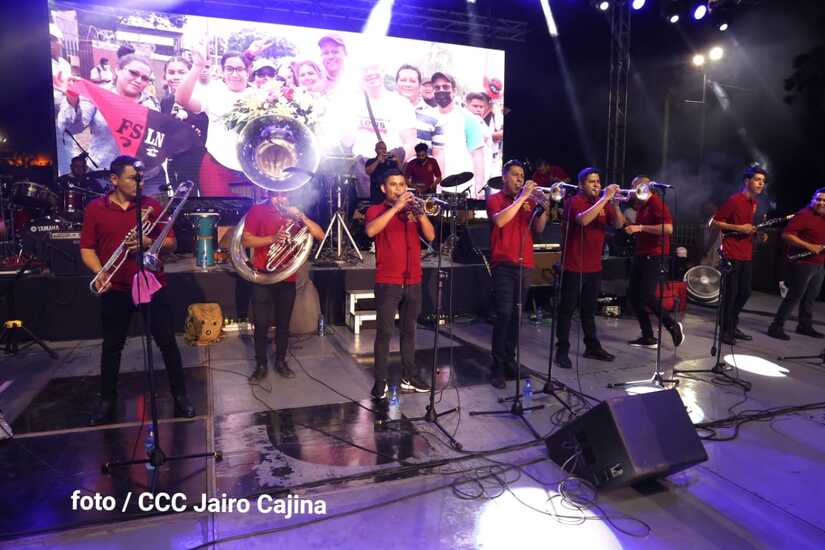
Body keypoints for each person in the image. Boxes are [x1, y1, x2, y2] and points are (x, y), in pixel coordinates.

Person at [80, 155, 195, 425]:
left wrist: (148, 241)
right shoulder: (96, 209)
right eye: (133, 178)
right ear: (114, 179)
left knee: (167, 343)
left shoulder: (152, 206)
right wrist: (101, 273)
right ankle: (106, 400)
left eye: (141, 178)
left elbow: (171, 243)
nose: (139, 183)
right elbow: (86, 248)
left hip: (150, 285)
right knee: (112, 347)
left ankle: (180, 396)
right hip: (116, 288)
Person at [365, 169, 435, 399]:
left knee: (409, 331)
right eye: (393, 184)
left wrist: (421, 213)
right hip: (388, 281)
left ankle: (409, 375)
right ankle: (380, 380)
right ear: (384, 188)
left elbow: (431, 236)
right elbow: (370, 230)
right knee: (384, 333)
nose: (399, 189)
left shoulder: (412, 212)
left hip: (413, 279)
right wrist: (395, 209)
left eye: (402, 184)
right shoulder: (375, 210)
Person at [243, 193, 325, 380]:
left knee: (283, 323)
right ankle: (261, 364)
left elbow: (320, 235)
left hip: (287, 276)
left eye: (284, 194)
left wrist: (301, 217)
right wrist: (273, 238)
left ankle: (281, 361)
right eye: (277, 195)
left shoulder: (294, 214)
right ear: (269, 194)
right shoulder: (258, 210)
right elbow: (247, 240)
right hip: (262, 276)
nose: (281, 198)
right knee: (261, 324)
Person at [60, 54, 166, 194]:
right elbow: (74, 127)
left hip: (147, 177)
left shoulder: (151, 103)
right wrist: (72, 100)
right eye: (133, 73)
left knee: (150, 216)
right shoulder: (97, 95)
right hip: (105, 176)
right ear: (117, 69)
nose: (139, 80)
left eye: (145, 78)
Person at [486, 160, 549, 388]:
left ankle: (510, 361)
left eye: (522, 176)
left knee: (516, 315)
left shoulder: (528, 202)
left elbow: (539, 228)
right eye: (515, 175)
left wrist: (544, 205)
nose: (520, 179)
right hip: (503, 264)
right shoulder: (494, 199)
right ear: (504, 177)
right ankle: (497, 366)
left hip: (525, 264)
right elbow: (501, 221)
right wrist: (524, 197)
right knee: (503, 314)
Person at [555, 167, 624, 369]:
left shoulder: (602, 203)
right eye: (592, 182)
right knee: (567, 310)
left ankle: (592, 347)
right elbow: (584, 220)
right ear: (581, 185)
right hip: (573, 265)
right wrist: (604, 199)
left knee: (588, 309)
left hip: (594, 266)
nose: (597, 185)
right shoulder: (573, 202)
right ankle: (562, 350)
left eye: (598, 182)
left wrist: (616, 205)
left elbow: (619, 225)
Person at [176, 50, 251, 196]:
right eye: (229, 69)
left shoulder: (260, 96)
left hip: (249, 171)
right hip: (215, 167)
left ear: (248, 71)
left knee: (249, 216)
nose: (235, 74)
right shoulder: (213, 93)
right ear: (222, 71)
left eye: (240, 69)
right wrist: (197, 66)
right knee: (216, 214)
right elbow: (181, 100)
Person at [623, 176, 685, 349]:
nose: (633, 190)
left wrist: (640, 228)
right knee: (634, 297)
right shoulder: (643, 205)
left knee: (646, 295)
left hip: (655, 254)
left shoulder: (657, 202)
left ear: (646, 187)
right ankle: (648, 336)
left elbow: (668, 228)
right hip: (642, 253)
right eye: (632, 186)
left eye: (636, 187)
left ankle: (672, 324)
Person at [711, 166, 766, 345]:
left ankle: (732, 324)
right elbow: (713, 223)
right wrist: (739, 228)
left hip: (746, 254)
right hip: (731, 253)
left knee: (745, 292)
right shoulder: (735, 200)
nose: (761, 184)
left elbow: (747, 227)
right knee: (731, 293)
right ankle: (726, 330)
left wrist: (757, 234)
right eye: (757, 180)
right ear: (746, 181)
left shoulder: (754, 203)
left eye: (763, 181)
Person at [768, 188, 825, 340]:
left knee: (811, 296)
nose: (821, 203)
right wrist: (809, 246)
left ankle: (804, 325)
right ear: (812, 200)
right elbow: (786, 235)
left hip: (819, 263)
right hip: (802, 262)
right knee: (795, 296)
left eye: (824, 201)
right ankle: (776, 326)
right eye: (818, 199)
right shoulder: (803, 215)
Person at [429, 72, 485, 197]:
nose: (441, 90)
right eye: (437, 88)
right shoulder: (428, 117)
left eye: (445, 87)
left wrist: (479, 188)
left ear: (454, 90)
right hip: (432, 189)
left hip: (462, 188)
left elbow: (478, 156)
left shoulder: (468, 118)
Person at [395, 64, 443, 152]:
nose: (407, 84)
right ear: (396, 83)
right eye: (403, 80)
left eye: (412, 81)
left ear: (419, 86)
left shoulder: (434, 116)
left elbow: (439, 154)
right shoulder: (385, 110)